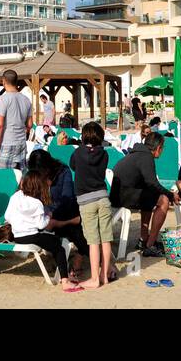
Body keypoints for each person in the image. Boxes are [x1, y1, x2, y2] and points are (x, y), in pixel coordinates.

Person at [3, 169, 83, 292]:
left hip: (18, 236)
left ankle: (57, 268)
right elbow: (41, 225)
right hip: (32, 236)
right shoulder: (37, 203)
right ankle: (65, 281)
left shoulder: (15, 196)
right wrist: (48, 216)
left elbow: (7, 216)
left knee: (51, 242)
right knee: (60, 247)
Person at [110, 131, 173, 256]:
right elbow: (152, 182)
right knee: (164, 200)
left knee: (149, 196)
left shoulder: (136, 154)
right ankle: (150, 244)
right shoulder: (146, 157)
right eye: (162, 148)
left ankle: (144, 239)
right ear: (158, 147)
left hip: (118, 194)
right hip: (123, 196)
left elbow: (148, 184)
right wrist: (171, 195)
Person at [28, 149, 88, 276]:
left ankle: (80, 254)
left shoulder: (63, 172)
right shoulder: (33, 175)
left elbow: (67, 198)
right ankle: (78, 252)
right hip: (43, 216)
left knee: (72, 229)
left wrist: (51, 214)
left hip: (63, 211)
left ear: (47, 167)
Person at [70, 121, 114, 288]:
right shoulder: (104, 154)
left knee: (93, 241)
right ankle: (104, 275)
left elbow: (72, 165)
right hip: (103, 197)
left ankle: (95, 278)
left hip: (86, 200)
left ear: (83, 136)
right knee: (106, 238)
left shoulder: (78, 153)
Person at [0, 69, 31, 170]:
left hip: (7, 143)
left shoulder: (3, 99)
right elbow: (30, 124)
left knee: (4, 179)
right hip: (21, 143)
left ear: (3, 81)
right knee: (19, 178)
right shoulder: (26, 100)